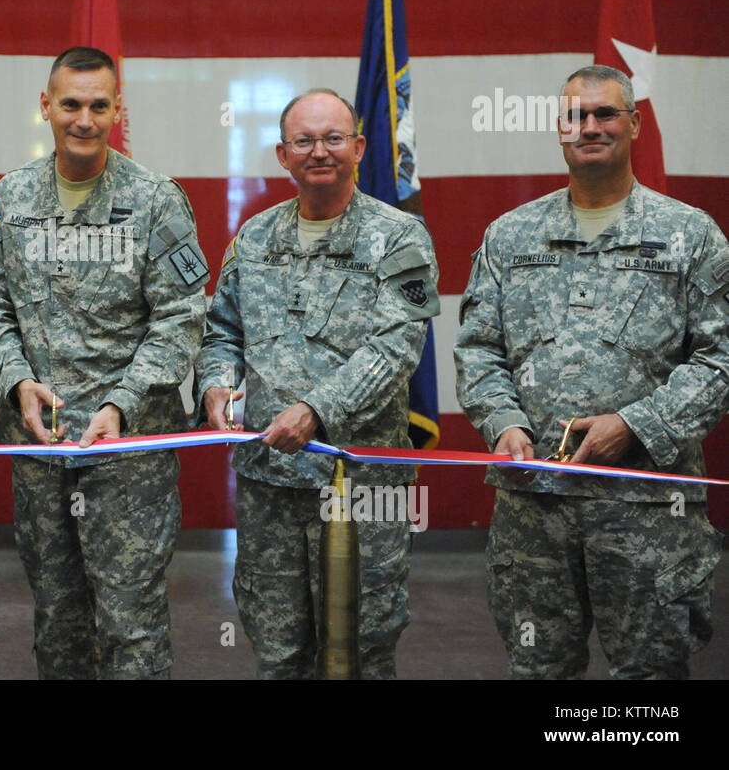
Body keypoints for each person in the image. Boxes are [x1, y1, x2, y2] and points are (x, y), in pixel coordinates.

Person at [455, 64, 729, 680]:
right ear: (559, 130)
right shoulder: (511, 235)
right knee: (539, 670)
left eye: (606, 114)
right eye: (577, 116)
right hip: (534, 511)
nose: (591, 127)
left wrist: (636, 423)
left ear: (633, 123)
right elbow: (478, 350)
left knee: (650, 680)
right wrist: (501, 422)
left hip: (647, 510)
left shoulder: (689, 236)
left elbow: (721, 359)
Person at [0, 46, 209, 679]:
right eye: (70, 104)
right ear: (45, 107)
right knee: (58, 618)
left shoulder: (156, 202)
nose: (84, 119)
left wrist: (119, 404)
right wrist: (16, 380)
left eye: (100, 106)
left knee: (131, 623)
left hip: (130, 456)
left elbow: (182, 319)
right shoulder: (12, 197)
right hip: (40, 449)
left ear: (118, 110)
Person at [196, 89, 439, 679]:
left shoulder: (400, 237)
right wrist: (216, 385)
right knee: (277, 650)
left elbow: (394, 350)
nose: (320, 151)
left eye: (333, 138)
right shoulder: (253, 238)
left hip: (362, 487)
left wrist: (315, 409)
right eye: (304, 141)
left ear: (358, 147)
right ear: (282, 154)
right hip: (269, 486)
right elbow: (222, 330)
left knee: (363, 644)